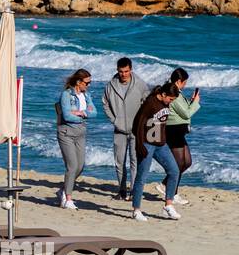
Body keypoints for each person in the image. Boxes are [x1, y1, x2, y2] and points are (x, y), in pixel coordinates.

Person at [131, 82, 182, 222]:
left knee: (174, 171)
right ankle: (136, 210)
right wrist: (139, 144)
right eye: (170, 99)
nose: (171, 102)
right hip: (146, 145)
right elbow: (137, 124)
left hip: (161, 145)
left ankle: (168, 206)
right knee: (142, 178)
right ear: (164, 94)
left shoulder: (165, 104)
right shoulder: (150, 103)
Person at [102, 57, 149, 201]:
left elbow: (147, 104)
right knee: (119, 161)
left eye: (126, 71)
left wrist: (142, 123)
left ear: (131, 70)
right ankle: (122, 190)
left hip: (136, 130)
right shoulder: (111, 85)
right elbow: (105, 104)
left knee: (135, 161)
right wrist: (114, 120)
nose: (123, 74)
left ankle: (134, 191)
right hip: (119, 130)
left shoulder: (140, 84)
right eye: (121, 71)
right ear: (117, 70)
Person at [56, 68, 95, 209]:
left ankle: (63, 190)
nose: (89, 85)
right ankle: (68, 199)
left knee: (80, 166)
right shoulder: (66, 95)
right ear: (79, 82)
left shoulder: (86, 95)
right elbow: (67, 116)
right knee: (72, 166)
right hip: (66, 132)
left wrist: (80, 113)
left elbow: (94, 113)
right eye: (87, 82)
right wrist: (83, 114)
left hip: (81, 132)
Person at [165, 67, 200, 207]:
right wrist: (196, 102)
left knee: (187, 162)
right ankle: (171, 192)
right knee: (179, 163)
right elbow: (186, 114)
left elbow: (184, 111)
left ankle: (166, 185)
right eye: (185, 82)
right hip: (173, 131)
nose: (185, 85)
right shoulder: (175, 93)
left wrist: (191, 102)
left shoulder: (178, 93)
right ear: (179, 81)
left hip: (179, 131)